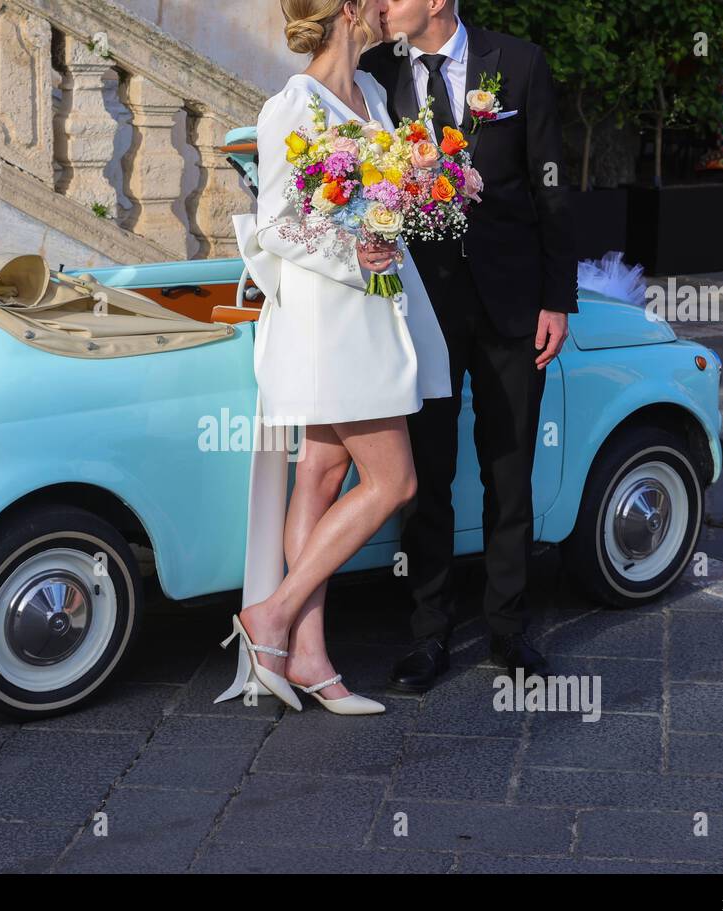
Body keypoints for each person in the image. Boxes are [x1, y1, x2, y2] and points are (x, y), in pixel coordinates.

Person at [215, 0, 451, 715]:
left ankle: (309, 655)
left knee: (321, 473)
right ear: (349, 9)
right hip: (329, 320)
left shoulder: (373, 92)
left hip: (371, 310)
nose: (386, 7)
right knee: (397, 480)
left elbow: (374, 199)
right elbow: (279, 223)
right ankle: (273, 614)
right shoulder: (290, 105)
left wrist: (412, 192)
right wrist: (355, 247)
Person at [359, 0, 578, 691]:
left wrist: (556, 298)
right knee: (425, 473)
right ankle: (428, 634)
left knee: (507, 469)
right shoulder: (373, 74)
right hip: (421, 309)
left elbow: (552, 182)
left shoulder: (519, 63)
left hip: (514, 302)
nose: (380, 6)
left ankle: (509, 628)